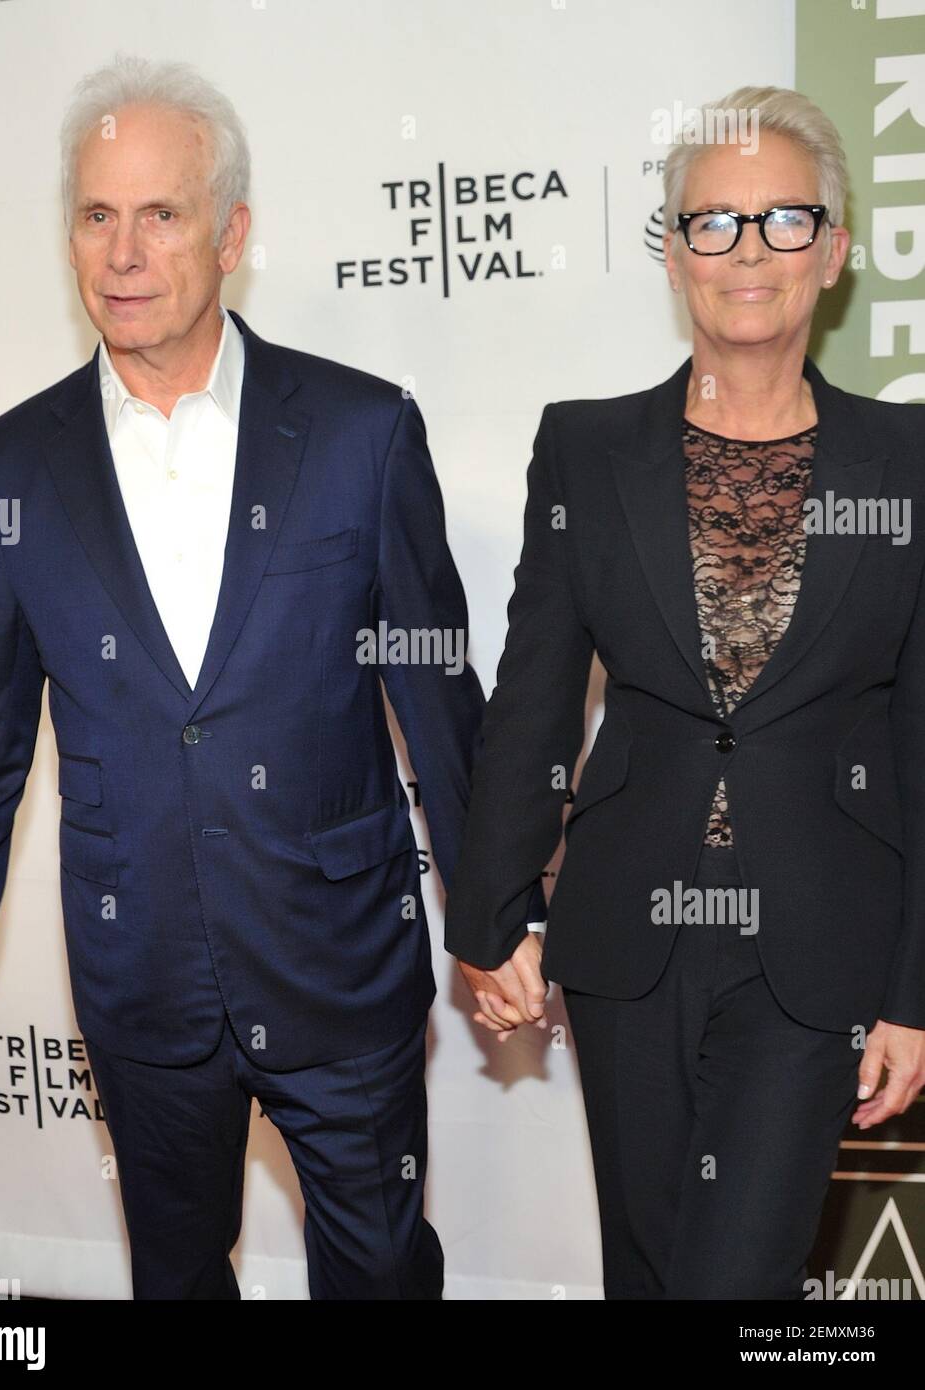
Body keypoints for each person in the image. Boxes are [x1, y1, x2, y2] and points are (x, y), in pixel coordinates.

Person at [0, 53, 496, 1300]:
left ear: (230, 231)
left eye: (160, 214)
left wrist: (501, 914)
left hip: (339, 954)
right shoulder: (10, 465)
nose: (123, 252)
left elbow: (437, 699)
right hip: (141, 974)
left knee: (384, 1273)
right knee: (175, 1276)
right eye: (95, 214)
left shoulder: (359, 430)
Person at [444, 85, 925, 1300]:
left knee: (732, 1278)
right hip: (627, 936)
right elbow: (536, 695)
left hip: (814, 946)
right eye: (711, 223)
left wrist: (914, 994)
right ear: (672, 251)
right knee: (648, 1269)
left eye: (779, 220)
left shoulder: (907, 462)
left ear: (833, 248)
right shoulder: (586, 448)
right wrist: (491, 909)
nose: (745, 253)